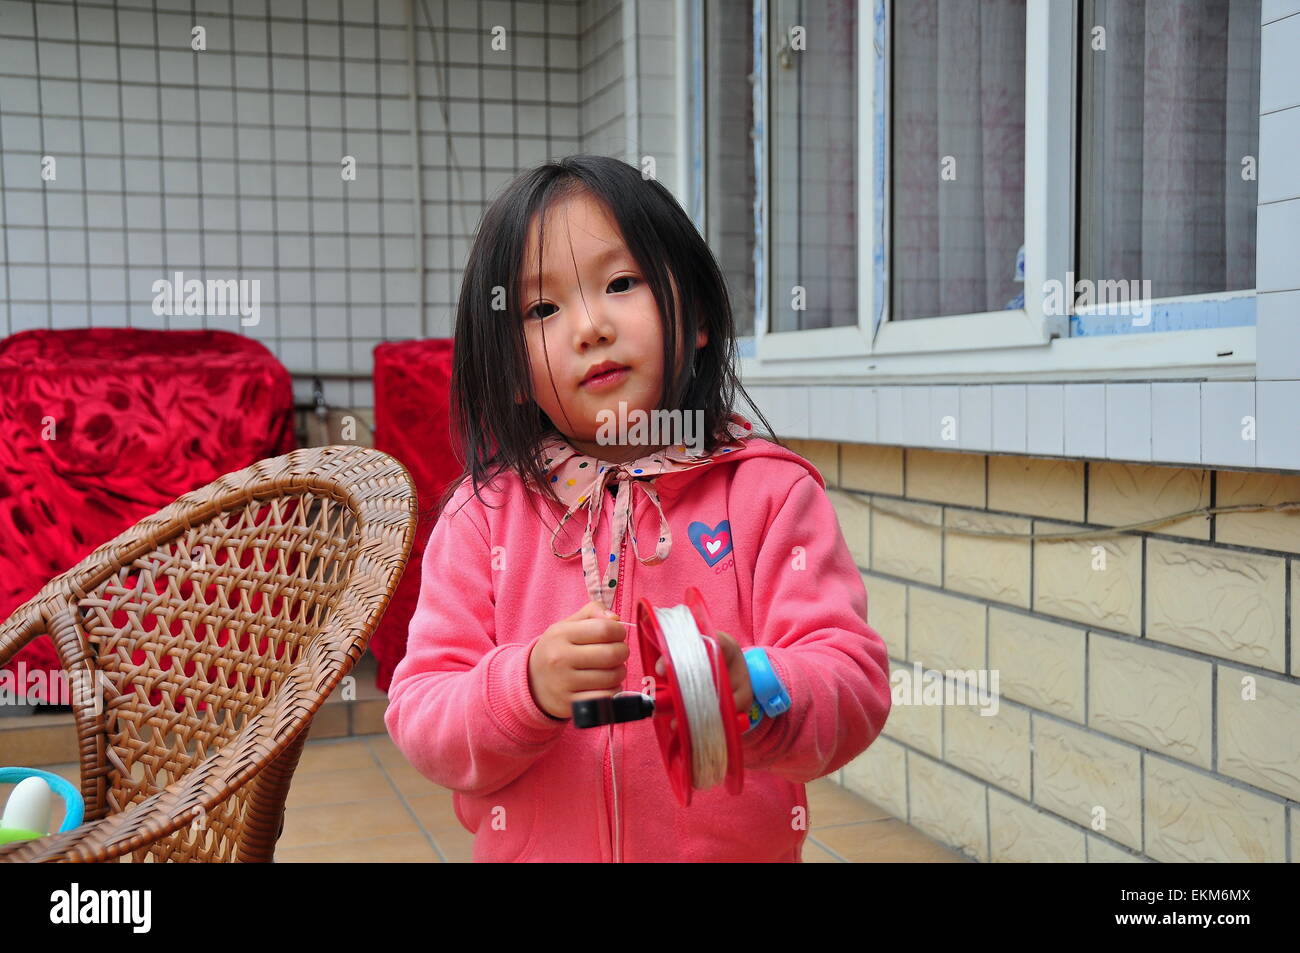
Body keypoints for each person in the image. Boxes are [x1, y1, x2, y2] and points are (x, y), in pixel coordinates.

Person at [384, 155, 892, 862]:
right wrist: (524, 685)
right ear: (511, 372)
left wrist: (758, 685)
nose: (590, 326)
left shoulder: (769, 497)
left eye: (622, 283)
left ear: (701, 316)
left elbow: (854, 681)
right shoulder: (481, 520)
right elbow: (422, 714)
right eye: (542, 308)